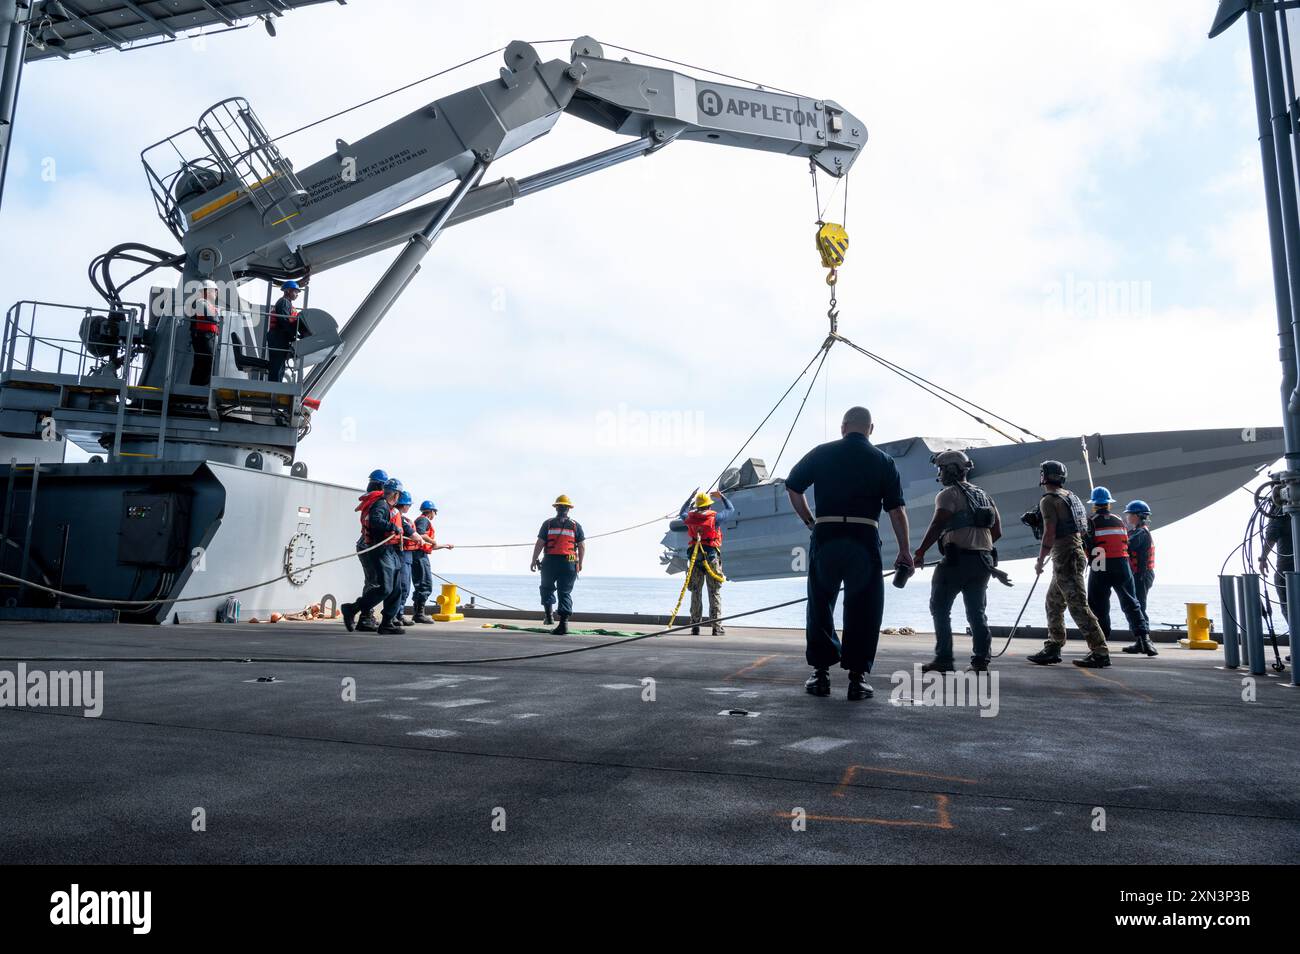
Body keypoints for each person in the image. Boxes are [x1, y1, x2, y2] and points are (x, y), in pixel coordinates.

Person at [785, 406, 912, 702]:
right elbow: (896, 510)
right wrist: (905, 550)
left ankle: (820, 675)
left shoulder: (821, 452)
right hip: (863, 535)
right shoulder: (883, 461)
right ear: (871, 429)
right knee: (864, 607)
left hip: (827, 534)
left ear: (843, 427)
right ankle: (857, 679)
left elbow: (793, 487)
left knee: (820, 603)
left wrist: (810, 522)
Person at [913, 450, 1003, 673]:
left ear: (951, 469)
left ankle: (944, 659)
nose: (940, 474)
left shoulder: (948, 495)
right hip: (983, 562)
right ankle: (980, 661)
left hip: (955, 562)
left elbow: (936, 526)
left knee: (940, 608)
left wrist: (920, 552)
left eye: (941, 469)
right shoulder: (984, 495)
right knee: (977, 613)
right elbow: (997, 532)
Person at [1027, 461, 1111, 668]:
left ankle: (1100, 652)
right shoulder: (1070, 497)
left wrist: (1040, 561)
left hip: (1066, 558)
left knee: (1078, 606)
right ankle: (1054, 647)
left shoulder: (1048, 500)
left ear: (1044, 476)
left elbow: (1049, 532)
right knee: (1053, 602)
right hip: (1071, 554)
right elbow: (1081, 530)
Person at [1084, 487, 1155, 657]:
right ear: (1109, 504)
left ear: (1094, 505)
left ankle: (1101, 642)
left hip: (1100, 563)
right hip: (1122, 564)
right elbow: (1124, 543)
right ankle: (1145, 640)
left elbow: (1085, 543)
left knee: (1098, 605)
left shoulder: (1090, 521)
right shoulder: (1118, 521)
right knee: (1132, 603)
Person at [342, 477, 404, 635]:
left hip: (391, 551)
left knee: (397, 588)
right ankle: (352, 608)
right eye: (399, 495)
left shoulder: (389, 507)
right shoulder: (381, 504)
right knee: (385, 589)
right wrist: (392, 527)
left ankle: (387, 623)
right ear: (395, 494)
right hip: (381, 550)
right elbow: (376, 521)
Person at [678, 489, 735, 635]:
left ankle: (695, 625)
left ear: (697, 506)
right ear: (709, 506)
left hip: (695, 558)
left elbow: (682, 512)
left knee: (695, 591)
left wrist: (690, 497)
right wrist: (721, 496)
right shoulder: (714, 519)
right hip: (711, 557)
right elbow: (730, 509)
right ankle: (716, 627)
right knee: (714, 591)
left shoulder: (689, 518)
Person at [530, 495, 585, 635]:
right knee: (564, 592)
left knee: (546, 587)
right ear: (568, 509)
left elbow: (540, 544)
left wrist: (533, 560)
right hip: (570, 560)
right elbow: (582, 546)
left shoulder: (548, 523)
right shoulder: (575, 525)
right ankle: (563, 624)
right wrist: (580, 563)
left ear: (556, 508)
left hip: (550, 560)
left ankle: (549, 617)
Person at [353, 468, 388, 632]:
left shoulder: (370, 500)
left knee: (372, 581)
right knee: (373, 582)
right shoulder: (379, 501)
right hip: (369, 544)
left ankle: (366, 615)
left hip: (364, 543)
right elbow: (376, 522)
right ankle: (365, 617)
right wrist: (394, 527)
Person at [1123, 499, 1157, 653]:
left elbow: (1127, 546)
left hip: (1141, 575)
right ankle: (1140, 642)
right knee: (1137, 606)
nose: (1127, 517)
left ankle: (1146, 641)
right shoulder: (1139, 531)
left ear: (1136, 516)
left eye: (1129, 514)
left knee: (1139, 607)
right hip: (1140, 574)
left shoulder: (1140, 533)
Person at [410, 500, 453, 624]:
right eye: (435, 512)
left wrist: (445, 545)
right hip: (419, 556)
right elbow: (420, 534)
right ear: (432, 512)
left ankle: (418, 613)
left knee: (421, 584)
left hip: (420, 555)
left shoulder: (422, 520)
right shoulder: (423, 520)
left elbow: (430, 545)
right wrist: (433, 541)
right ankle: (419, 614)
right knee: (425, 584)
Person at [1259, 484, 1293, 623]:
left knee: (1291, 612)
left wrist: (1263, 558)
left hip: (1287, 572)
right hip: (1288, 570)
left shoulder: (1279, 512)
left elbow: (1271, 536)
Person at [265, 279, 304, 383]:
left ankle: (276, 386)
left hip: (280, 336)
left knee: (280, 364)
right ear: (287, 291)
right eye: (295, 291)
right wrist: (295, 334)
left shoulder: (287, 303)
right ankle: (273, 387)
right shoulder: (284, 302)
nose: (297, 294)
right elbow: (284, 320)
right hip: (278, 337)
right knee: (277, 364)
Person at [188, 279, 220, 387]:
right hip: (203, 337)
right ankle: (198, 386)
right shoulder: (200, 302)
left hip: (207, 337)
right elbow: (212, 317)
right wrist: (218, 315)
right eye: (214, 291)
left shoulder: (205, 304)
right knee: (206, 361)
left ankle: (197, 385)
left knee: (202, 362)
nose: (216, 293)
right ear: (207, 291)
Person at [394, 491, 419, 625]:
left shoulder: (401, 518)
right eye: (408, 505)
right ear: (404, 505)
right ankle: (397, 615)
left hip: (406, 556)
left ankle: (398, 614)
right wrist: (419, 538)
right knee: (403, 586)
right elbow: (412, 533)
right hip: (402, 555)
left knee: (404, 587)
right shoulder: (401, 519)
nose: (409, 507)